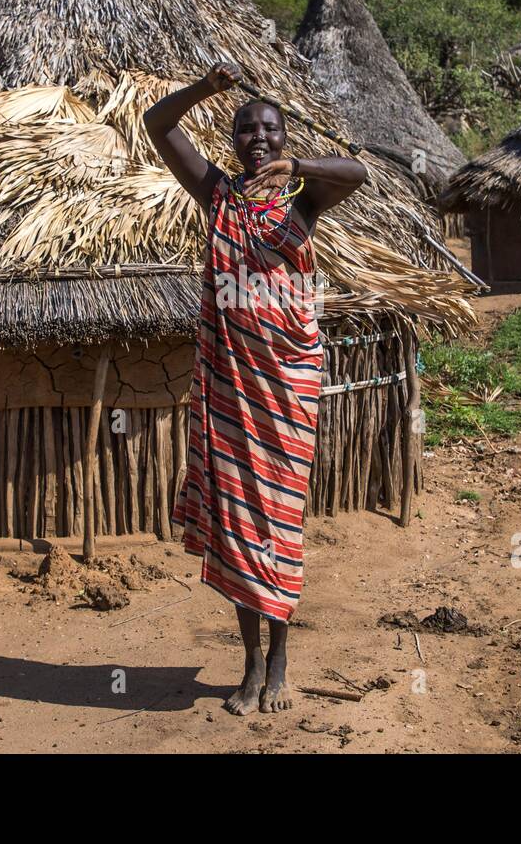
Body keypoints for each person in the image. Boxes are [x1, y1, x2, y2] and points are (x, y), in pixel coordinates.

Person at [144, 61, 367, 714]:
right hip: (231, 390)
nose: (259, 138)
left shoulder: (304, 199)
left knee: (278, 526)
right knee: (240, 529)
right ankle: (248, 667)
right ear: (233, 139)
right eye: (246, 129)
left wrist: (298, 164)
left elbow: (359, 172)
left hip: (287, 391)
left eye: (270, 129)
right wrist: (206, 89)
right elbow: (156, 124)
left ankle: (280, 660)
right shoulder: (217, 194)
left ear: (284, 135)